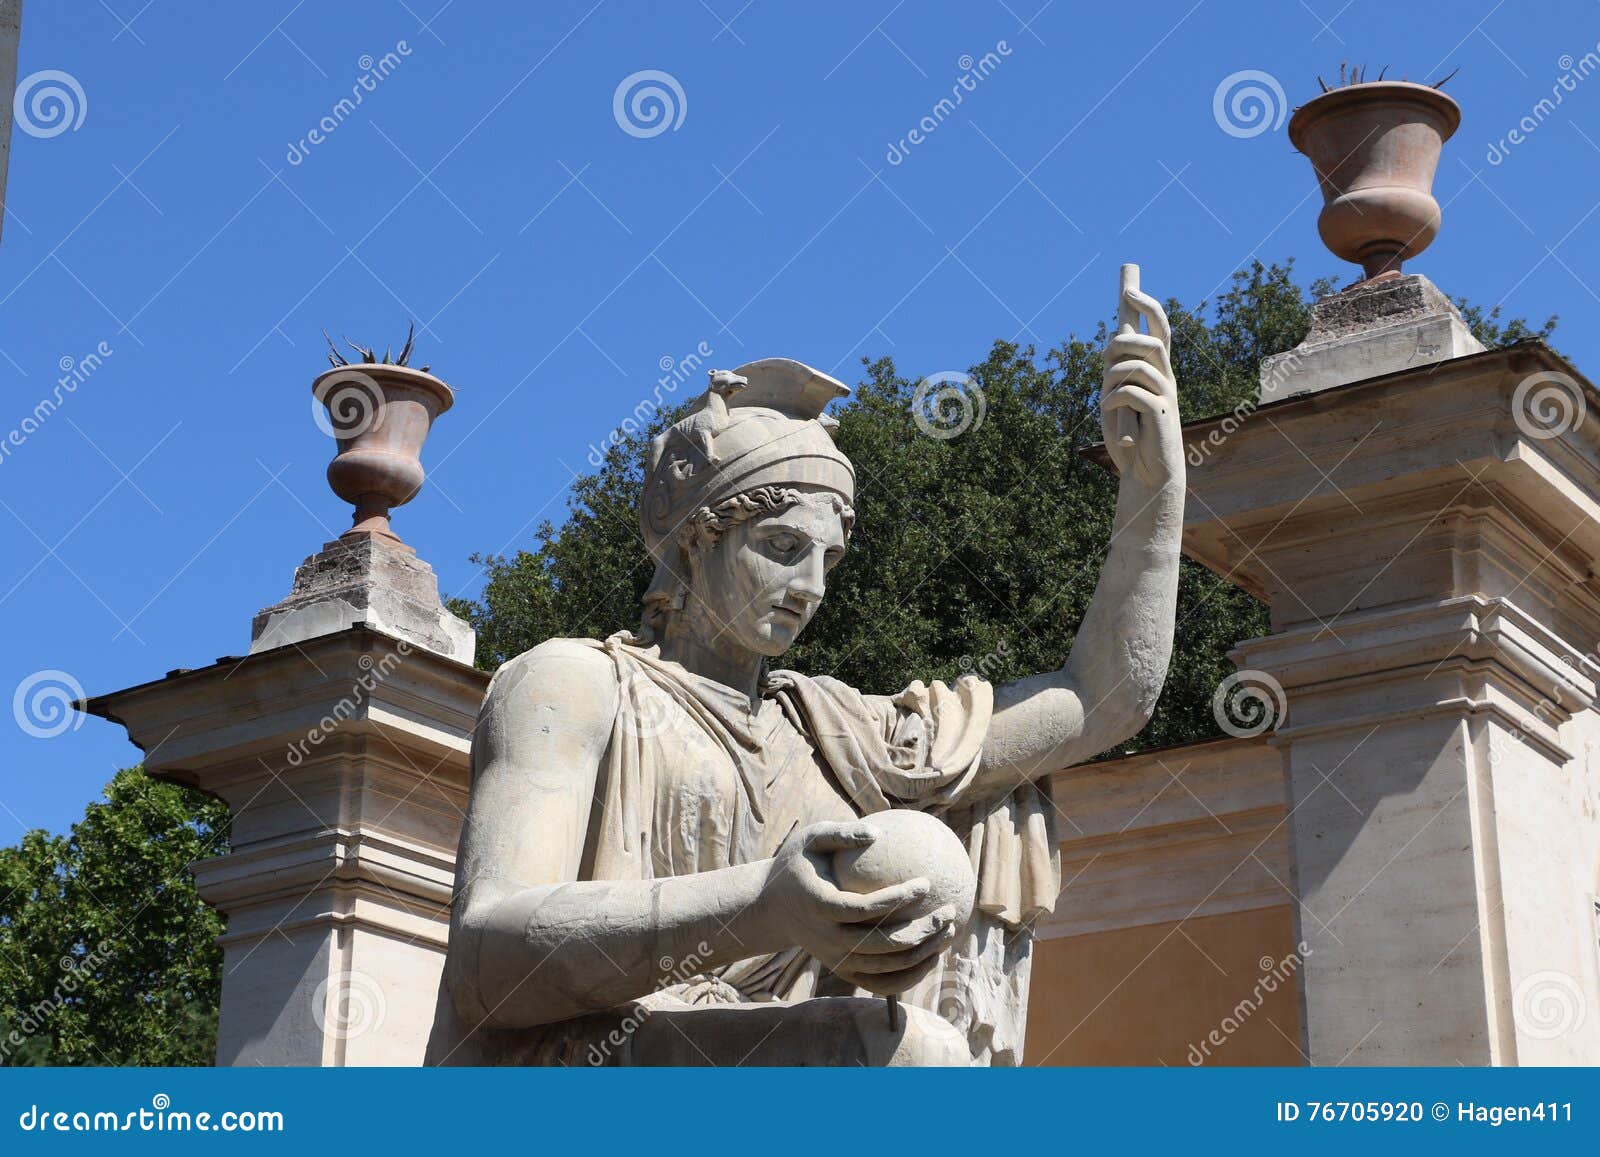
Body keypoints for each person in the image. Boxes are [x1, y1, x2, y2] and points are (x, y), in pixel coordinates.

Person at [427, 288, 1183, 1065]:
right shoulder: (569, 684)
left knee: (911, 1050)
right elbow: (487, 958)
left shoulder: (840, 735)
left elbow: (1102, 698)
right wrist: (765, 904)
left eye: (829, 558)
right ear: (694, 538)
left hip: (740, 1060)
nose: (811, 587)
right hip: (579, 1066)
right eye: (783, 548)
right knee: (909, 1057)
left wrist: (1155, 488)